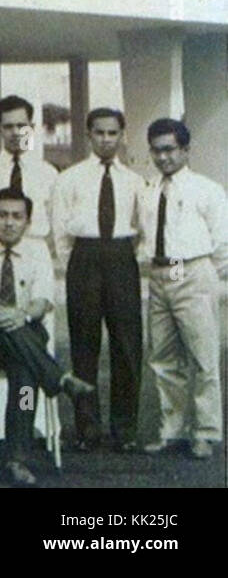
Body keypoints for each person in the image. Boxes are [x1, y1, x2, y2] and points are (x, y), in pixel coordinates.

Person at [0, 188, 93, 485]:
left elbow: (42, 302)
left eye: (17, 216)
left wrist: (20, 315)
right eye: (3, 215)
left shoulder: (37, 253)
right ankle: (60, 379)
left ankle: (17, 459)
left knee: (23, 371)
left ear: (28, 222)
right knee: (16, 339)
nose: (9, 222)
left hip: (25, 335)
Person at [49, 107, 143, 452]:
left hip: (121, 257)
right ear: (88, 135)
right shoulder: (70, 178)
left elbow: (143, 229)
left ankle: (125, 428)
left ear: (122, 135)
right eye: (99, 133)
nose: (106, 139)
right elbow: (60, 230)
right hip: (84, 258)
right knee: (84, 344)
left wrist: (130, 258)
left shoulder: (134, 181)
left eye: (113, 133)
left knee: (127, 345)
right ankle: (88, 427)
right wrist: (73, 264)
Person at [139, 118, 228, 460]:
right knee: (162, 357)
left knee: (203, 355)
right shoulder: (148, 189)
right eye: (156, 150)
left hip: (191, 269)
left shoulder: (207, 189)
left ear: (186, 150)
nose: (162, 158)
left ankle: (205, 431)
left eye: (169, 150)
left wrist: (205, 278)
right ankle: (172, 430)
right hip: (161, 272)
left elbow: (222, 242)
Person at [0, 96, 57, 261]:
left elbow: (55, 225)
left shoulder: (48, 174)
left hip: (36, 258)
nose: (15, 132)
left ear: (31, 128)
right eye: (8, 126)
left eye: (21, 126)